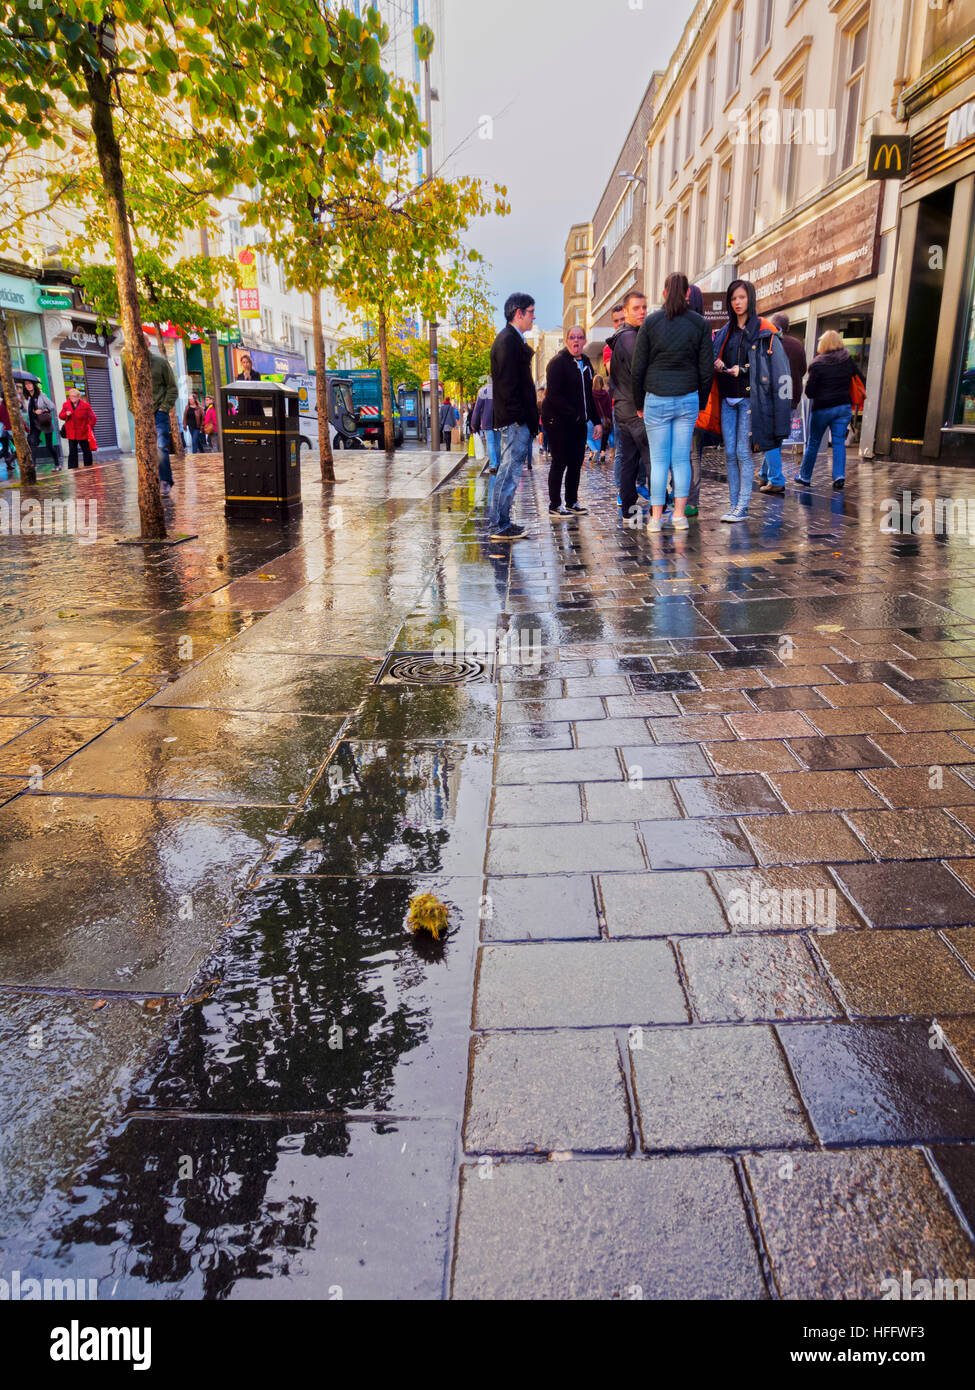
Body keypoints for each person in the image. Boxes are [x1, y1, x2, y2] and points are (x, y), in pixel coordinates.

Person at [699, 279, 791, 522]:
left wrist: (745, 369)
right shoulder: (725, 331)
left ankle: (743, 507)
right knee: (730, 453)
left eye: (741, 297)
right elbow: (712, 357)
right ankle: (734, 505)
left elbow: (775, 370)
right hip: (727, 398)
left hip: (751, 399)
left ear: (749, 298)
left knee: (742, 452)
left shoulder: (764, 329)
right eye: (733, 299)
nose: (737, 302)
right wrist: (717, 365)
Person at [631, 272, 713, 533]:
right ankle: (679, 515)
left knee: (658, 461)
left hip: (656, 397)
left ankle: (656, 518)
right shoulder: (700, 324)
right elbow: (706, 368)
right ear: (688, 294)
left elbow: (638, 367)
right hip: (687, 397)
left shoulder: (652, 323)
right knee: (681, 459)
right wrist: (701, 399)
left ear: (664, 293)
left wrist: (638, 402)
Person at [488, 291, 538, 541]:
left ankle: (502, 521)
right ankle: (499, 524)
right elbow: (509, 386)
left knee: (510, 471)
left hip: (516, 418)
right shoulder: (508, 341)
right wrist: (520, 417)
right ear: (518, 313)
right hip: (515, 419)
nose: (534, 316)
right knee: (509, 472)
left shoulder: (511, 340)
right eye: (530, 312)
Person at [542, 326, 602, 517]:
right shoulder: (557, 363)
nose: (576, 341)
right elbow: (553, 396)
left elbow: (589, 397)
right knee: (560, 462)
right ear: (567, 340)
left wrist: (596, 420)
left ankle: (571, 502)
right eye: (572, 337)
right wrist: (574, 415)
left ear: (584, 341)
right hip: (558, 421)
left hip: (579, 423)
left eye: (580, 337)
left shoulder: (586, 363)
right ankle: (554, 505)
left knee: (576, 462)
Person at [795, 330, 862, 491]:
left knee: (814, 442)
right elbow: (861, 378)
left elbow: (810, 392)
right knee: (839, 442)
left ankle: (805, 476)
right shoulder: (848, 360)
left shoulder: (817, 364)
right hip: (843, 407)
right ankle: (839, 476)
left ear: (822, 344)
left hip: (822, 409)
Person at [609, 289, 653, 522]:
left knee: (629, 461)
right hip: (635, 410)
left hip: (625, 408)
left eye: (644, 307)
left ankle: (629, 512)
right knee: (649, 459)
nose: (642, 312)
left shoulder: (626, 336)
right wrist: (642, 404)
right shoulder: (629, 338)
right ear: (625, 312)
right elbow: (641, 373)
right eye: (636, 308)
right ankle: (657, 510)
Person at [759, 312, 807, 495]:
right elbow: (802, 370)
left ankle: (776, 479)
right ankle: (764, 473)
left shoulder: (769, 341)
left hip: (772, 397)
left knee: (770, 437)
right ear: (788, 327)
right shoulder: (797, 345)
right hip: (792, 397)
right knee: (776, 437)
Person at [121, 345, 179, 495]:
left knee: (160, 446)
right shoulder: (127, 361)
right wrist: (133, 408)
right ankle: (151, 481)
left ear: (146, 344)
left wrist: (164, 408)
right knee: (144, 449)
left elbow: (172, 388)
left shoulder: (160, 363)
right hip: (141, 413)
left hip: (159, 412)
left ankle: (165, 481)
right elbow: (127, 385)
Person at [685, 284, 718, 515]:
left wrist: (701, 400)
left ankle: (691, 501)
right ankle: (683, 497)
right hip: (680, 398)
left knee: (691, 453)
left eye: (687, 298)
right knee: (683, 453)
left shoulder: (702, 329)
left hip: (694, 399)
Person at [21, 379, 60, 469]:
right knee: (32, 444)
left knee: (49, 446)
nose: (28, 386)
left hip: (44, 422)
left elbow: (52, 406)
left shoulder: (41, 395)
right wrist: (21, 406)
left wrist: (42, 410)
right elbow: (25, 409)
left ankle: (57, 464)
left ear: (34, 385)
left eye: (30, 384)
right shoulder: (26, 398)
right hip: (34, 424)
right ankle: (32, 465)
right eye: (26, 384)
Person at [58, 387, 97, 468]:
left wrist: (88, 427)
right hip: (71, 432)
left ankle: (89, 467)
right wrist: (66, 414)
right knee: (72, 451)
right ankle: (72, 468)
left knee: (86, 451)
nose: (72, 398)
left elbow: (93, 418)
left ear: (79, 397)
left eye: (75, 396)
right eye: (71, 396)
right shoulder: (66, 405)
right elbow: (61, 416)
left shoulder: (86, 406)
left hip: (83, 432)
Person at [471, 381, 501, 475]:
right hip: (498, 421)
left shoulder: (483, 391)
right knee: (497, 443)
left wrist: (474, 423)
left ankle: (493, 464)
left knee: (490, 443)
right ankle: (498, 463)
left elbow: (477, 409)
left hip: (487, 420)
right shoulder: (500, 390)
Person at [593, 374, 613, 464]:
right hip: (605, 418)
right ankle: (602, 453)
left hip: (595, 419)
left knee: (596, 437)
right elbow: (609, 408)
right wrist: (610, 418)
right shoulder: (606, 394)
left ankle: (596, 453)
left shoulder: (591, 393)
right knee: (605, 437)